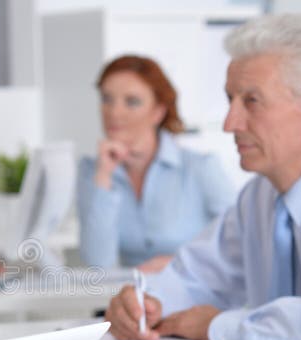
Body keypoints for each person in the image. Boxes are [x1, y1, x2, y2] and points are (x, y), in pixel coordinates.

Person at [105, 14, 301, 340]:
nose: (231, 123)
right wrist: (143, 303)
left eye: (252, 101)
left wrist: (217, 325)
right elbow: (192, 279)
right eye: (230, 99)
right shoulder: (259, 198)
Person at [78, 55, 235, 273]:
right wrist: (104, 177)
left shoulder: (200, 168)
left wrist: (180, 262)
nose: (114, 112)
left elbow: (240, 247)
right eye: (107, 99)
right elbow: (97, 264)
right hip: (123, 299)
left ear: (158, 112)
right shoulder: (91, 171)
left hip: (191, 296)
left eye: (131, 102)